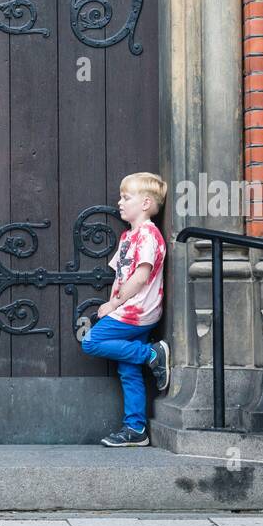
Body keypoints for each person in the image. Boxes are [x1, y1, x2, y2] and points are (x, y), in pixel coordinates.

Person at [78, 171, 170, 446]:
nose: (120, 202)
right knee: (128, 369)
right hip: (128, 309)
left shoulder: (148, 235)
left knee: (91, 341)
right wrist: (111, 303)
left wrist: (114, 304)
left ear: (144, 203)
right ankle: (136, 429)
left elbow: (141, 277)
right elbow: (120, 279)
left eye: (125, 197)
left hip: (138, 311)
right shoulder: (128, 237)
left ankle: (152, 353)